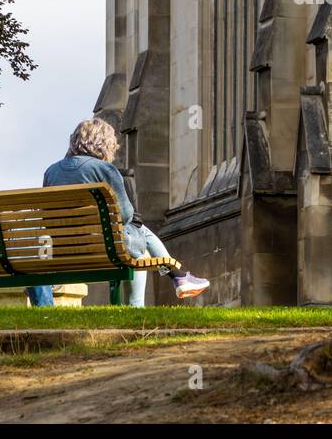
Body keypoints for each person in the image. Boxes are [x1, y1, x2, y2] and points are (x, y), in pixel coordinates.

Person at [40, 118, 208, 307]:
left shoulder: (51, 172)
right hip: (104, 247)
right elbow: (126, 215)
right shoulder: (105, 169)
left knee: (139, 246)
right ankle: (174, 279)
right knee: (140, 234)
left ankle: (178, 277)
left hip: (62, 249)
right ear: (105, 143)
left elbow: (48, 216)